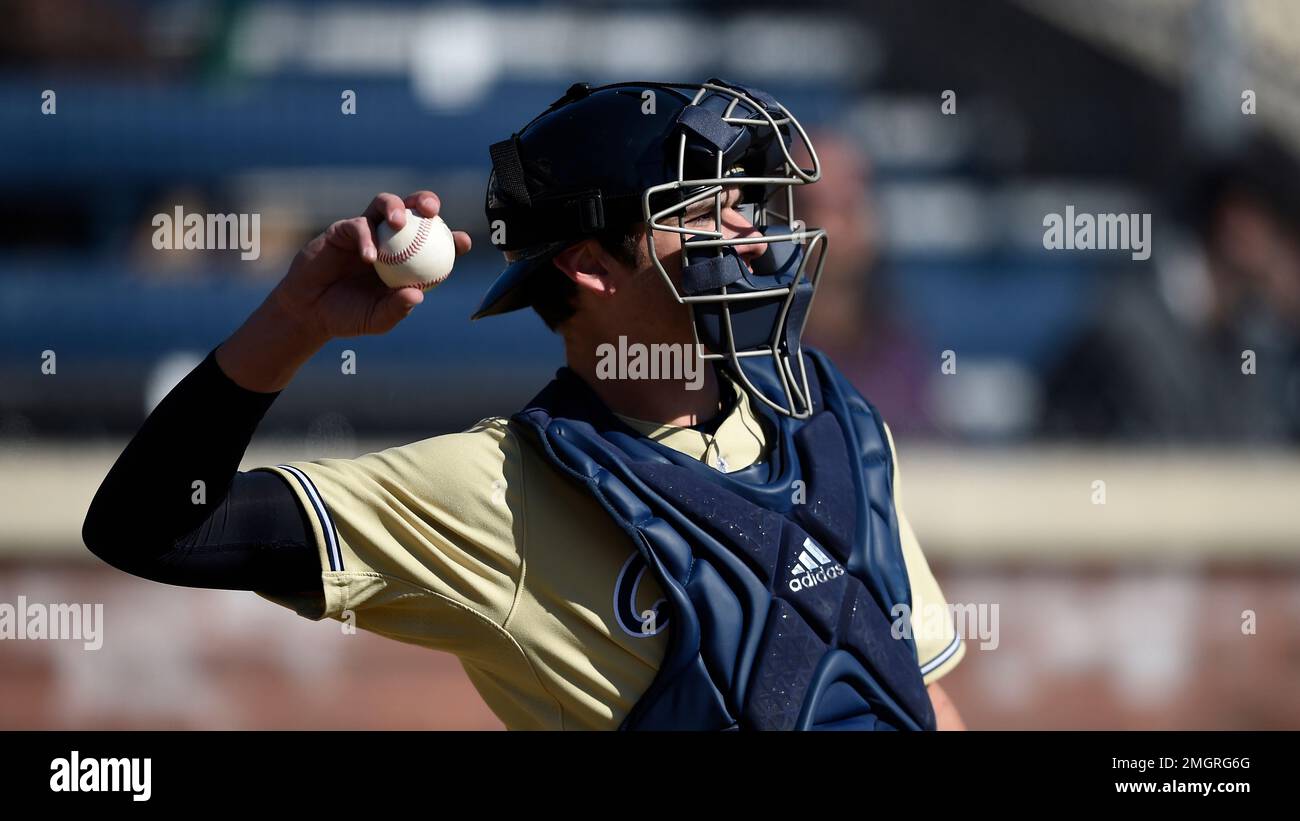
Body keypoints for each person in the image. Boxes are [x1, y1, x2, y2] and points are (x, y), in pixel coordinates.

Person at [83, 80, 965, 730]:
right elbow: (150, 525)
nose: (746, 230)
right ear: (593, 266)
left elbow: (919, 696)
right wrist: (292, 322)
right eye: (701, 209)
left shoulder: (830, 420)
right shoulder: (497, 489)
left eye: (740, 201)